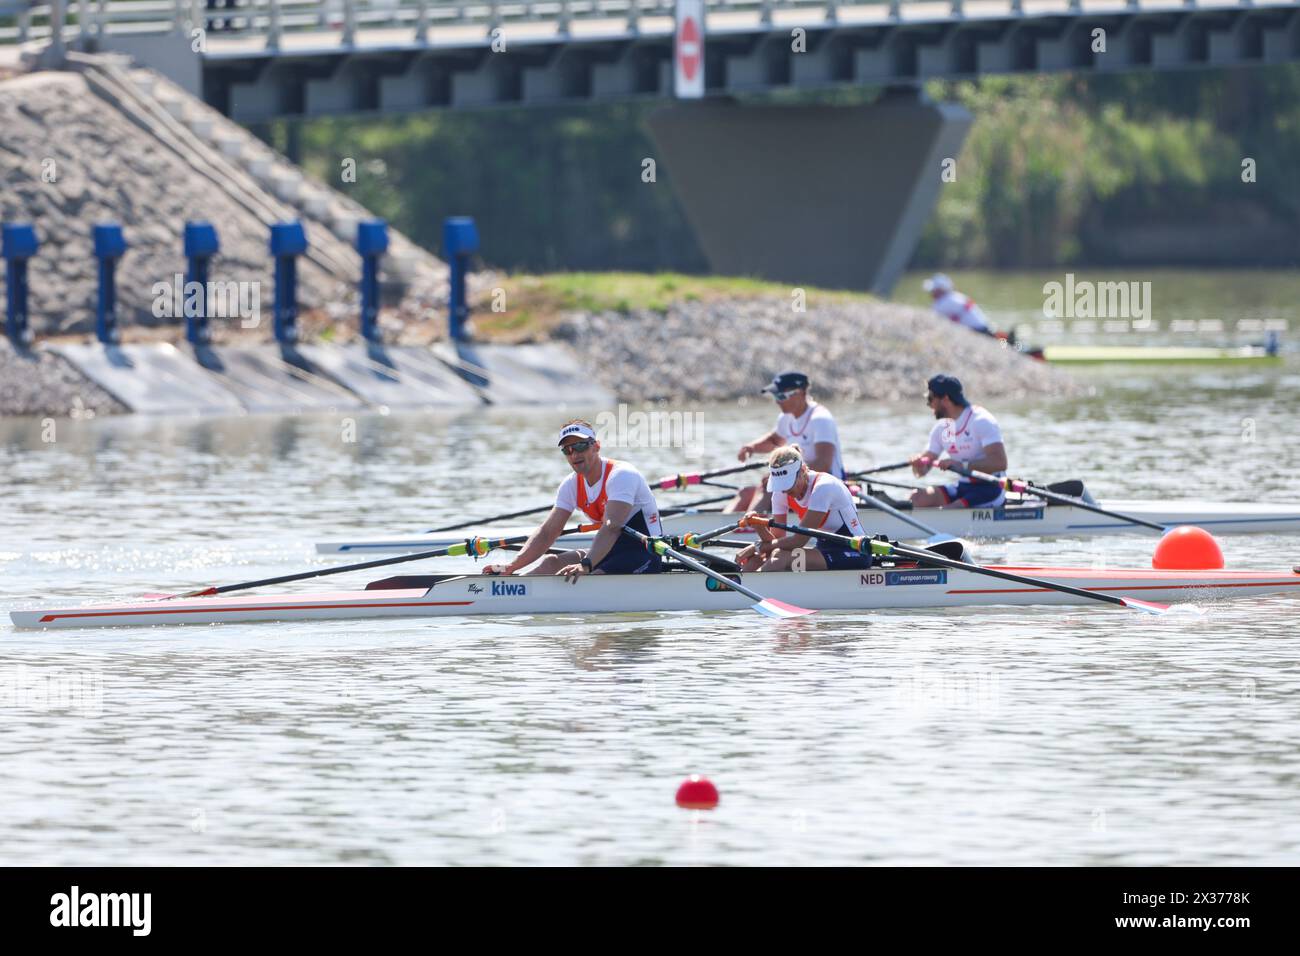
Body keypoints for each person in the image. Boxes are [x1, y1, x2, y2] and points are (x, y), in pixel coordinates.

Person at [483, 420, 664, 579]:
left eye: (580, 446)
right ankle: (511, 589)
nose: (574, 455)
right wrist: (512, 566)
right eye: (567, 450)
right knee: (551, 563)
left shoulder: (621, 475)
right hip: (606, 551)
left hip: (643, 552)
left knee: (593, 576)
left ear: (596, 446)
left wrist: (586, 565)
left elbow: (612, 526)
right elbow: (547, 533)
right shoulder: (571, 485)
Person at [726, 371, 845, 513]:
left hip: (823, 486)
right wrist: (751, 447)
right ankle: (720, 528)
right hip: (799, 483)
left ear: (800, 393)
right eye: (775, 396)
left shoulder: (820, 419)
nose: (777, 401)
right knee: (745, 492)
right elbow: (774, 440)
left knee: (769, 487)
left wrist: (786, 476)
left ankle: (749, 526)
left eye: (781, 396)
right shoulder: (786, 418)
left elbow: (824, 463)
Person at [737, 447, 870, 572]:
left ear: (802, 471)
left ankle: (753, 588)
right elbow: (776, 540)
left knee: (779, 557)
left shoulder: (823, 487)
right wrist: (759, 527)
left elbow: (798, 541)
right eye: (782, 485)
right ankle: (738, 589)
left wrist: (756, 547)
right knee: (755, 560)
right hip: (823, 549)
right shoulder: (781, 492)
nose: (786, 490)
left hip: (855, 551)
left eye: (789, 484)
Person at [908, 374, 1009, 509]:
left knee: (949, 511)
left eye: (930, 398)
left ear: (945, 399)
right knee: (916, 499)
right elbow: (922, 471)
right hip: (963, 486)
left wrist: (962, 465)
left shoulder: (980, 421)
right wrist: (918, 463)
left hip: (990, 488)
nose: (928, 404)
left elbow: (999, 463)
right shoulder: (946, 428)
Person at [923, 273, 998, 338]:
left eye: (933, 290)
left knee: (1003, 344)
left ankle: (1003, 342)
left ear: (940, 289)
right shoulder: (956, 296)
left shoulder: (944, 302)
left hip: (979, 332)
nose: (931, 293)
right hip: (987, 328)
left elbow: (928, 317)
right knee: (1002, 342)